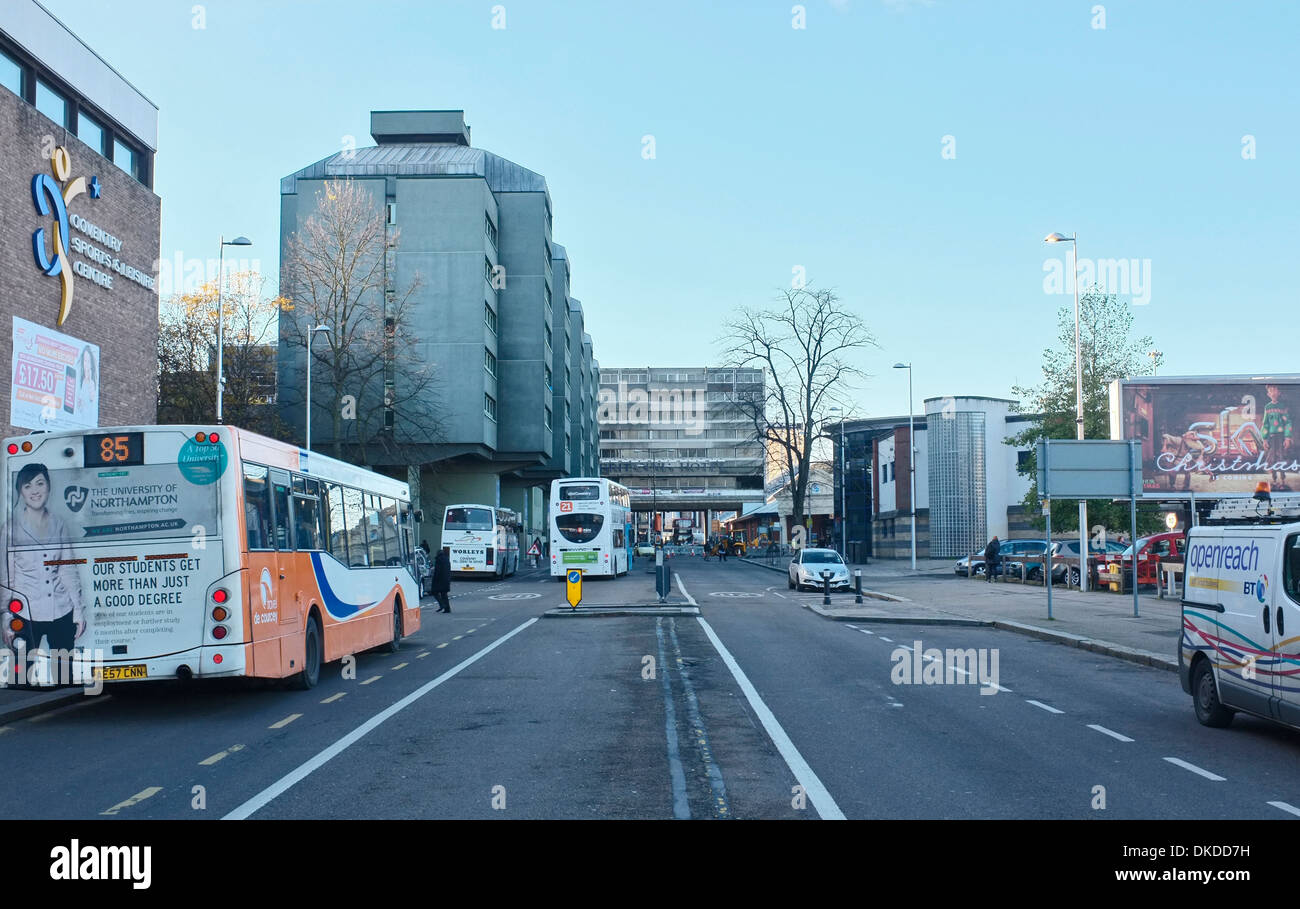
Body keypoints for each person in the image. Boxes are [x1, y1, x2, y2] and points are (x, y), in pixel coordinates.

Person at [0, 463, 85, 653]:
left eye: (40, 483)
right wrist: (6, 614)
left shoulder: (59, 524)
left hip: (62, 611)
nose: (35, 491)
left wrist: (78, 610)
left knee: (64, 676)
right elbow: (6, 578)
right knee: (23, 675)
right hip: (25, 614)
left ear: (48, 487)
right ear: (20, 492)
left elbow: (68, 570)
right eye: (27, 486)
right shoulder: (10, 529)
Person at [432, 547, 452, 613]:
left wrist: (435, 579)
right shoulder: (446, 559)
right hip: (446, 580)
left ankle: (442, 605)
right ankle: (447, 608)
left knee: (434, 592)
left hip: (440, 580)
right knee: (444, 594)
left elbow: (437, 571)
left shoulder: (439, 560)